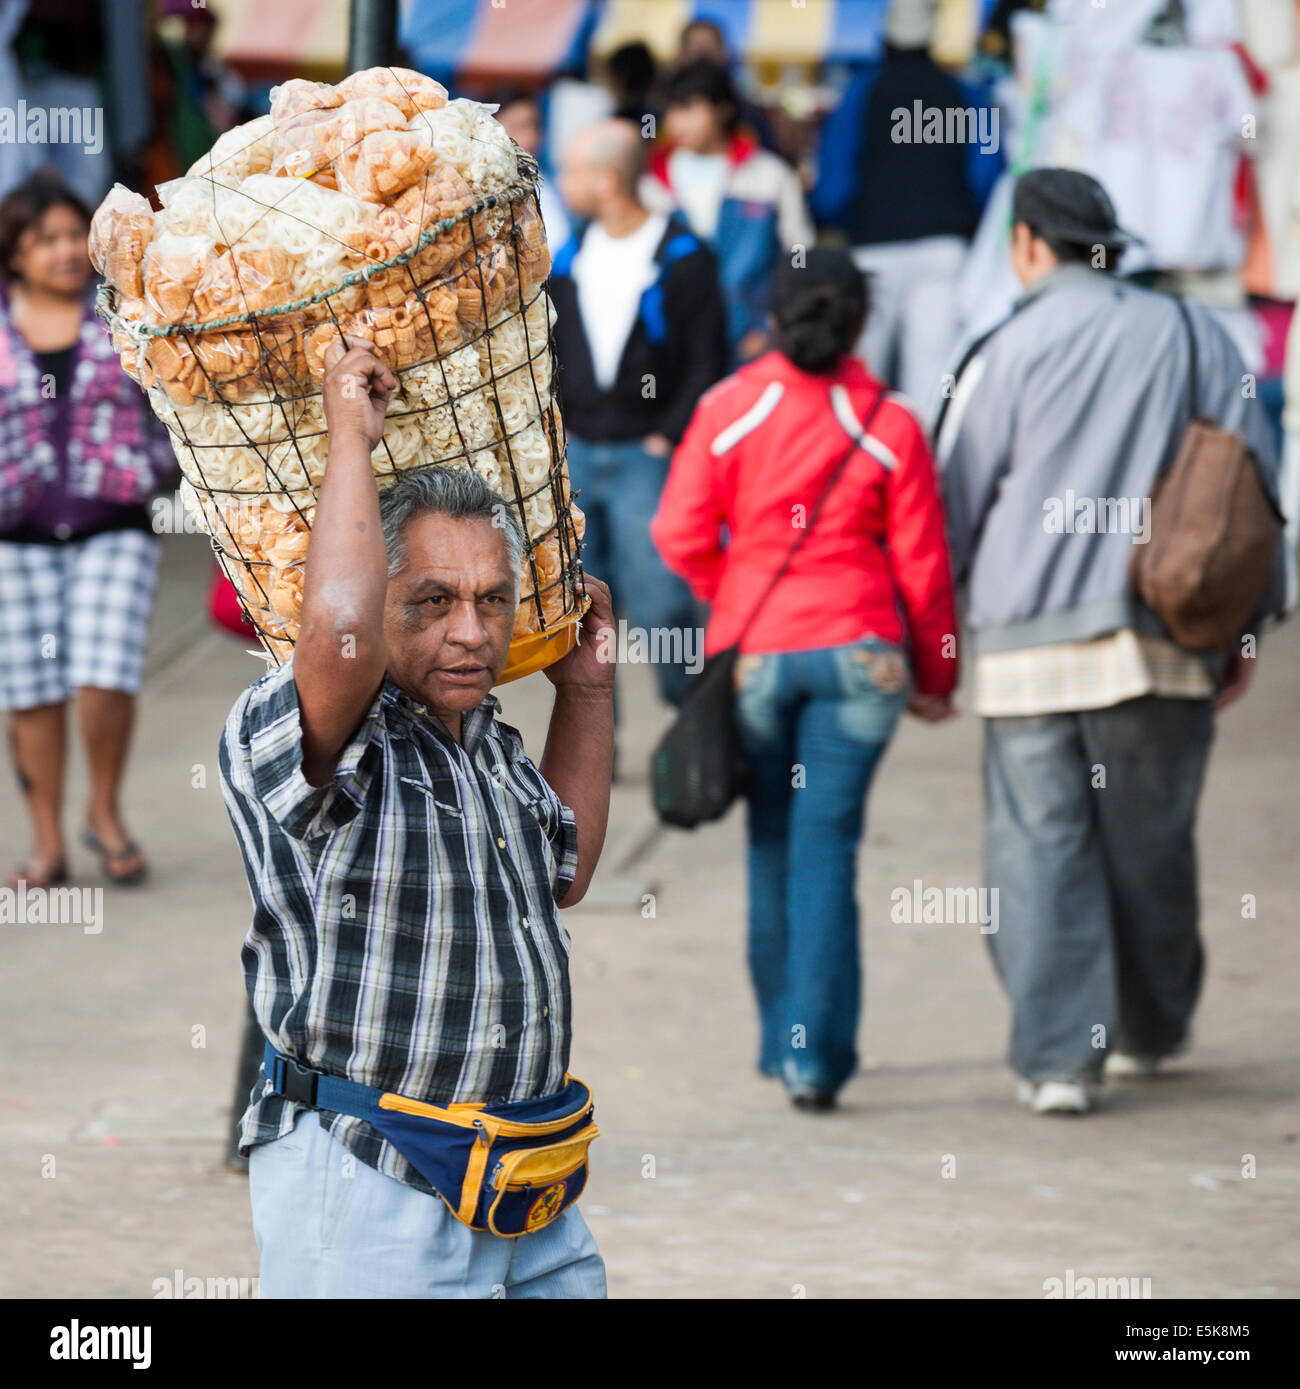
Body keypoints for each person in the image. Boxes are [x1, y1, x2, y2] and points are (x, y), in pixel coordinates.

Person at [220, 337, 616, 1298]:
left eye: (491, 600)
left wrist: (589, 690)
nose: (472, 631)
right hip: (368, 1180)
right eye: (432, 602)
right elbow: (340, 634)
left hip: (522, 1179)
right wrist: (349, 439)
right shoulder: (312, 734)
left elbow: (566, 867)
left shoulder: (487, 741)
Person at [937, 168, 1289, 1116]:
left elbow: (952, 504)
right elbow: (1255, 482)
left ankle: (1059, 1061)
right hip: (1164, 642)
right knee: (1151, 847)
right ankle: (1151, 1027)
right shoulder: (1194, 335)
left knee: (1038, 851)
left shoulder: (1000, 348)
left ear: (1025, 245)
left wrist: (939, 635)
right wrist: (1250, 623)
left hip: (1023, 655)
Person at [652, 250, 959, 1110]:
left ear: (773, 321)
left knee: (771, 844)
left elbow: (676, 531)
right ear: (862, 325)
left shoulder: (726, 407)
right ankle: (818, 1061)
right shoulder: (891, 423)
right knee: (828, 848)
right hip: (863, 657)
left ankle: (782, 1042)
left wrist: (732, 592)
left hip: (756, 655)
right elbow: (926, 570)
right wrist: (937, 674)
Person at [0, 173, 174, 889]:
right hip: (16, 532)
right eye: (46, 240)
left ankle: (103, 811)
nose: (67, 250)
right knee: (31, 687)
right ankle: (47, 844)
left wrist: (154, 466)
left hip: (114, 521)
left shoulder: (125, 313)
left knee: (105, 670)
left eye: (76, 234)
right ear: (14, 253)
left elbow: (174, 393)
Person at [551, 119, 728, 707]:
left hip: (645, 455)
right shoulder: (571, 256)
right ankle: (596, 737)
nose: (563, 181)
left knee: (661, 604)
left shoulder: (683, 256)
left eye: (572, 170)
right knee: (581, 610)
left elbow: (708, 359)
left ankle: (694, 723)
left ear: (606, 182)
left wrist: (667, 435)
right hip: (579, 451)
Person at [810, 0, 1000, 417]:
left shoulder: (861, 91)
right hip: (945, 249)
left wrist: (841, 220)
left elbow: (834, 182)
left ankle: (858, 472)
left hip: (874, 249)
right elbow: (987, 172)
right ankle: (922, 473)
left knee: (861, 379)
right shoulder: (966, 92)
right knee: (932, 384)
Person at [645, 59, 813, 364]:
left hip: (751, 347)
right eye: (671, 110)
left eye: (689, 108)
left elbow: (800, 256)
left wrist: (771, 327)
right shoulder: (651, 183)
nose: (676, 123)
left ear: (723, 109)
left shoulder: (769, 176)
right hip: (674, 351)